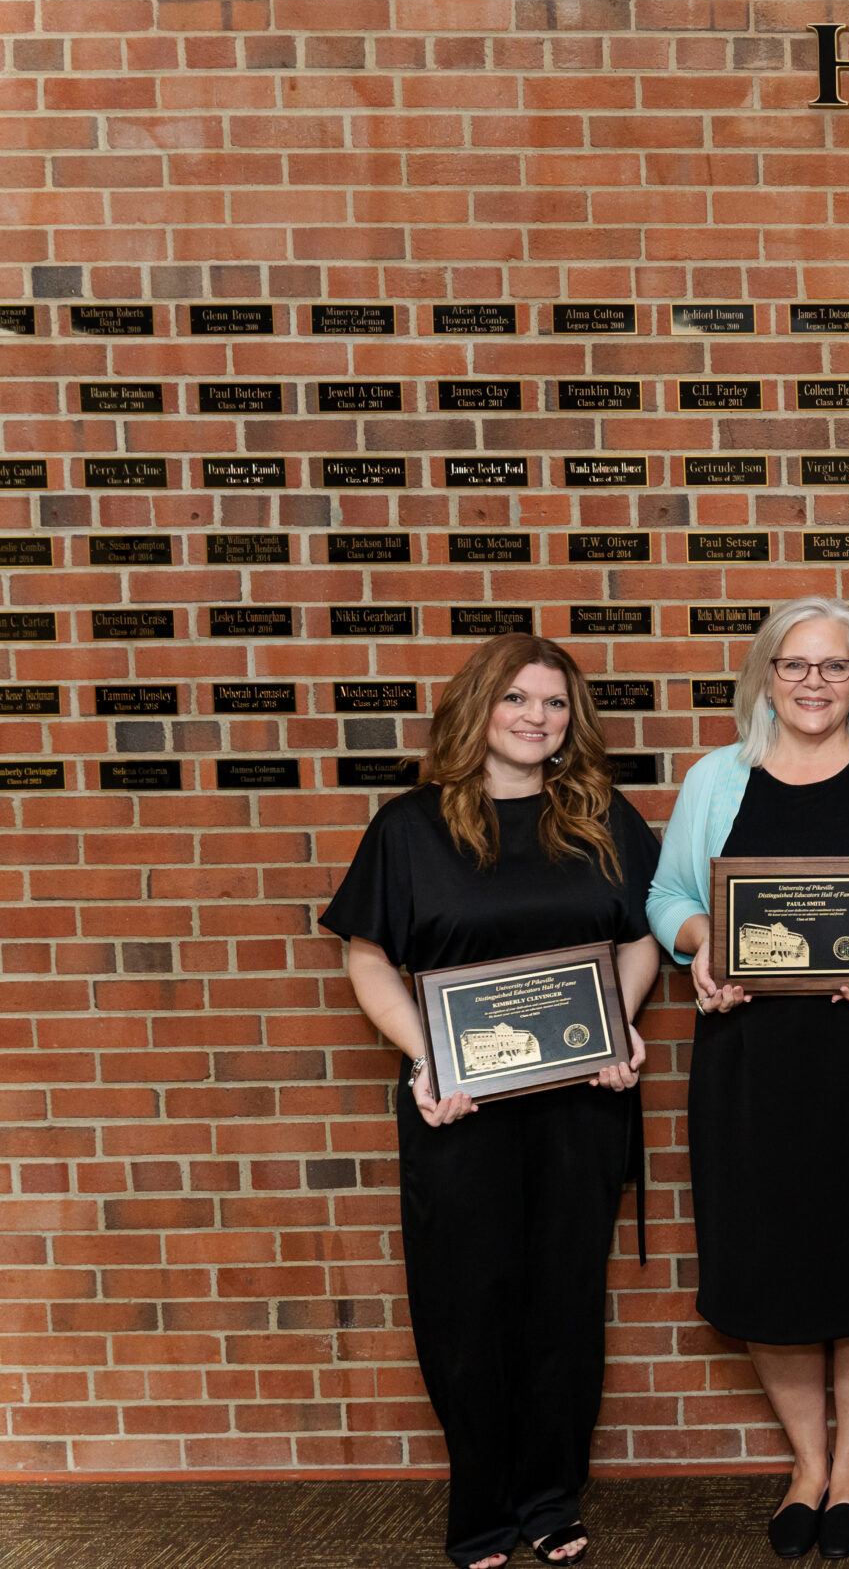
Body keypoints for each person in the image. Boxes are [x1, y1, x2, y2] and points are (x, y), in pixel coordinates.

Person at [322, 633, 660, 1569]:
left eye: (554, 705)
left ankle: (550, 1496)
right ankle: (480, 1507)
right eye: (517, 699)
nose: (536, 719)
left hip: (580, 1103)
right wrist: (427, 1056)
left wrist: (619, 1022)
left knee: (562, 1302)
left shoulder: (597, 818)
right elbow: (366, 955)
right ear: (479, 707)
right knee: (465, 1304)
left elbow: (639, 938)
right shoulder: (410, 826)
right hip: (459, 1107)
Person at [647, 598, 849, 1562]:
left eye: (835, 667)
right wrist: (699, 947)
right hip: (751, 1059)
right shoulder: (713, 779)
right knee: (768, 1258)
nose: (814, 683)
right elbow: (669, 899)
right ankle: (806, 1464)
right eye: (796, 665)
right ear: (765, 676)